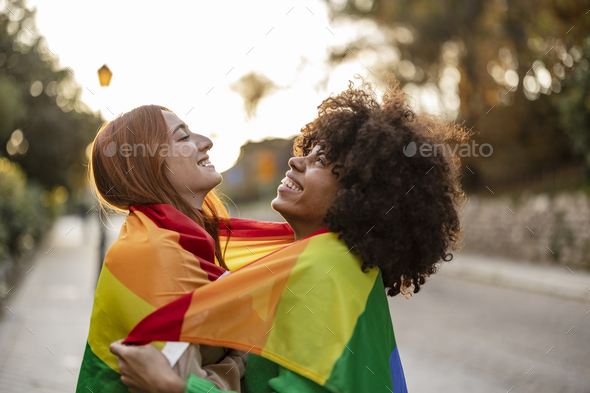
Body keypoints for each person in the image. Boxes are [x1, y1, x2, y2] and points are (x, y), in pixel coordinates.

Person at [110, 76, 469, 392]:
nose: (297, 161)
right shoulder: (334, 262)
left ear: (361, 196)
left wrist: (173, 387)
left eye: (323, 163)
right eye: (308, 153)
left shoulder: (324, 271)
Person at [77, 105, 293, 393]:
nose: (206, 142)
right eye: (183, 138)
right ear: (147, 165)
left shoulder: (184, 241)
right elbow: (181, 384)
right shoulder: (151, 255)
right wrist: (239, 361)